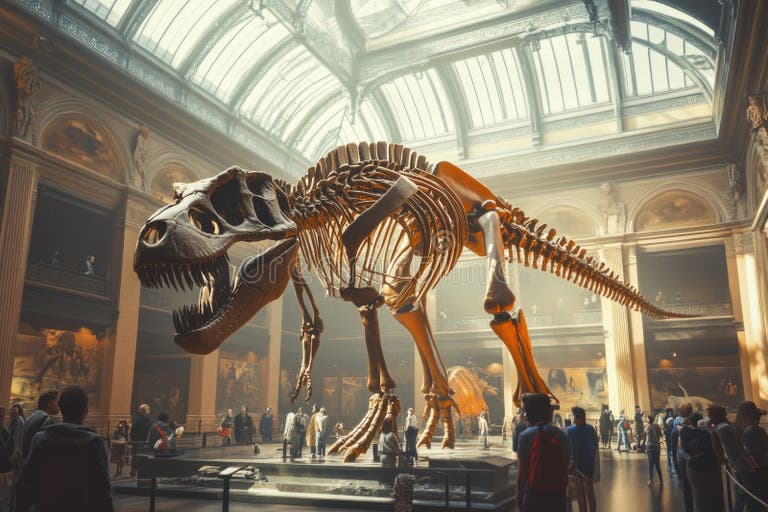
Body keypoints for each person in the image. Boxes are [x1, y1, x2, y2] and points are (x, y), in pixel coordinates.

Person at [15, 385, 114, 511]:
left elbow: (25, 482)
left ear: (61, 409)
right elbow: (103, 489)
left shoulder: (41, 439)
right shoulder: (94, 443)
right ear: (85, 412)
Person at [516, 393, 570, 512]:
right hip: (557, 495)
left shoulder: (525, 436)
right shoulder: (560, 434)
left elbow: (522, 473)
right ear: (549, 413)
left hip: (534, 495)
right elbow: (565, 463)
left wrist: (519, 497)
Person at [709, 404, 759, 512]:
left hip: (741, 465)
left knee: (743, 496)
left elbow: (734, 450)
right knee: (744, 496)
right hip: (741, 465)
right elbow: (734, 451)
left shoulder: (722, 428)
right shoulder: (725, 427)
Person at [681, 413, 724, 512]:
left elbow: (686, 449)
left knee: (700, 498)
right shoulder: (705, 434)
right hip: (704, 467)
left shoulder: (686, 432)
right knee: (707, 497)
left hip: (695, 467)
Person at [566, 406, 599, 512]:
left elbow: (568, 449)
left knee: (580, 496)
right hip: (589, 467)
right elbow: (595, 448)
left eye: (573, 416)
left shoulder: (570, 430)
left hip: (576, 468)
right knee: (590, 494)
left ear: (578, 417)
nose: (572, 418)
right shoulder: (591, 429)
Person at [735, 401, 768, 508]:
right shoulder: (755, 431)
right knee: (757, 503)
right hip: (758, 474)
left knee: (746, 501)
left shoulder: (738, 428)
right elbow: (758, 457)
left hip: (744, 472)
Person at [21, 390, 59, 460]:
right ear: (50, 403)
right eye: (57, 402)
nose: (58, 405)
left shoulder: (32, 416)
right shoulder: (46, 419)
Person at [673, 402, 694, 512]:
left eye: (681, 409)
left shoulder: (680, 421)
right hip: (685, 453)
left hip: (686, 453)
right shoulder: (681, 421)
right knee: (687, 483)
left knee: (688, 483)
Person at [129, 403, 151, 476]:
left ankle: (133, 471)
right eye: (148, 409)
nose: (149, 411)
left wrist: (132, 440)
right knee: (141, 456)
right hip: (143, 441)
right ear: (146, 411)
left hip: (136, 441)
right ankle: (140, 471)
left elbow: (132, 431)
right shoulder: (147, 420)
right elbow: (149, 431)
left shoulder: (136, 419)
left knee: (135, 456)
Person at [645, 414, 663, 486]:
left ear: (649, 420)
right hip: (657, 447)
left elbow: (645, 435)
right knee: (657, 465)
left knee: (650, 465)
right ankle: (661, 481)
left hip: (650, 447)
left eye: (647, 418)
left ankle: (651, 481)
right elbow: (660, 435)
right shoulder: (657, 426)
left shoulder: (647, 426)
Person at [8, 404, 24, 469]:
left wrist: (15, 450)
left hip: (15, 446)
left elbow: (17, 436)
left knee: (14, 466)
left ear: (19, 411)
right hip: (14, 445)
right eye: (13, 410)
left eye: (16, 410)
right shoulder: (16, 418)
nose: (14, 411)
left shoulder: (18, 420)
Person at [662, 408, 676, 472]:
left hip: (671, 436)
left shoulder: (673, 417)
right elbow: (666, 428)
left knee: (671, 451)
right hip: (669, 436)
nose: (671, 413)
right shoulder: (665, 418)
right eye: (671, 412)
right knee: (669, 451)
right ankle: (670, 465)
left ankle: (671, 466)